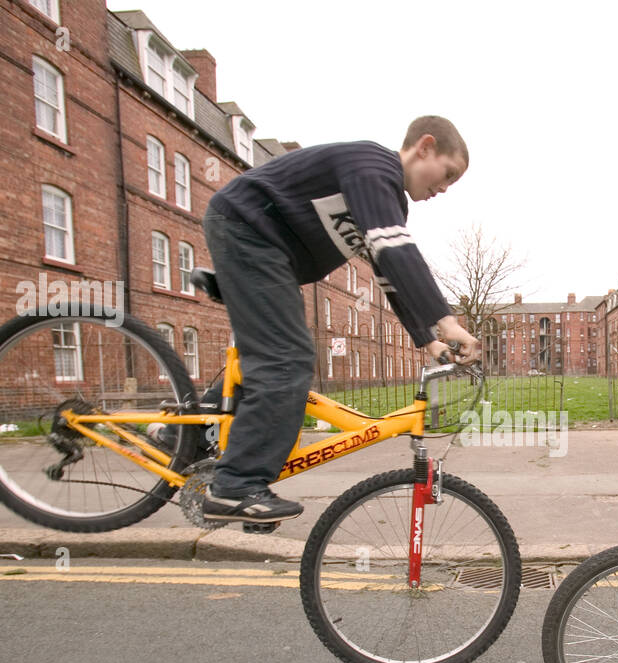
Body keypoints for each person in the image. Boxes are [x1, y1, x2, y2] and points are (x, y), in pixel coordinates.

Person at [194, 116, 480, 523]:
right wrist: (446, 319)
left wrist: (429, 338)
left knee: (267, 357)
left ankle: (182, 435)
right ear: (425, 147)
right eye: (447, 174)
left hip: (270, 253)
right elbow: (398, 254)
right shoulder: (371, 167)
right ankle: (235, 485)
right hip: (247, 229)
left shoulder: (389, 200)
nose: (445, 188)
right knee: (287, 359)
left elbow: (388, 276)